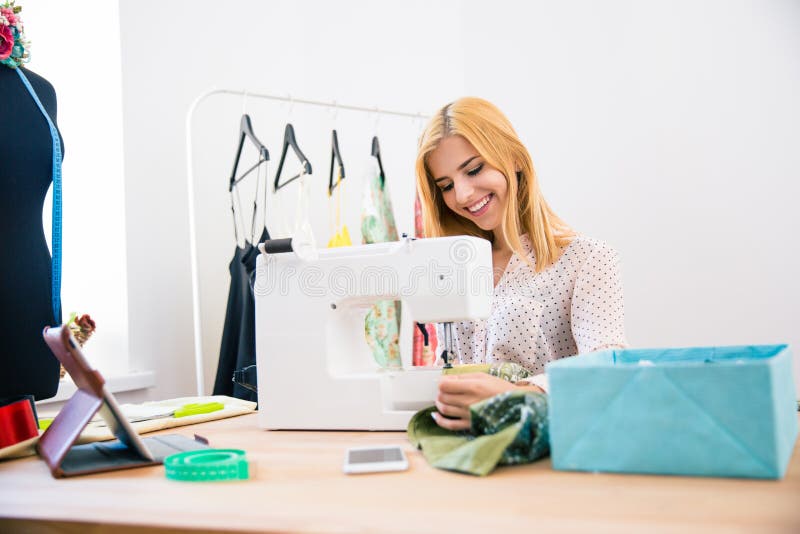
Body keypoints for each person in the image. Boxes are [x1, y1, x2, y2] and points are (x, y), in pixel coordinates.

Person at [415, 97, 627, 430]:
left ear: (513, 158)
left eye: (474, 169)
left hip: (552, 455)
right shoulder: (452, 269)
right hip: (463, 451)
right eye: (446, 185)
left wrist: (518, 393)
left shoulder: (587, 259)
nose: (463, 194)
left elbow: (608, 368)